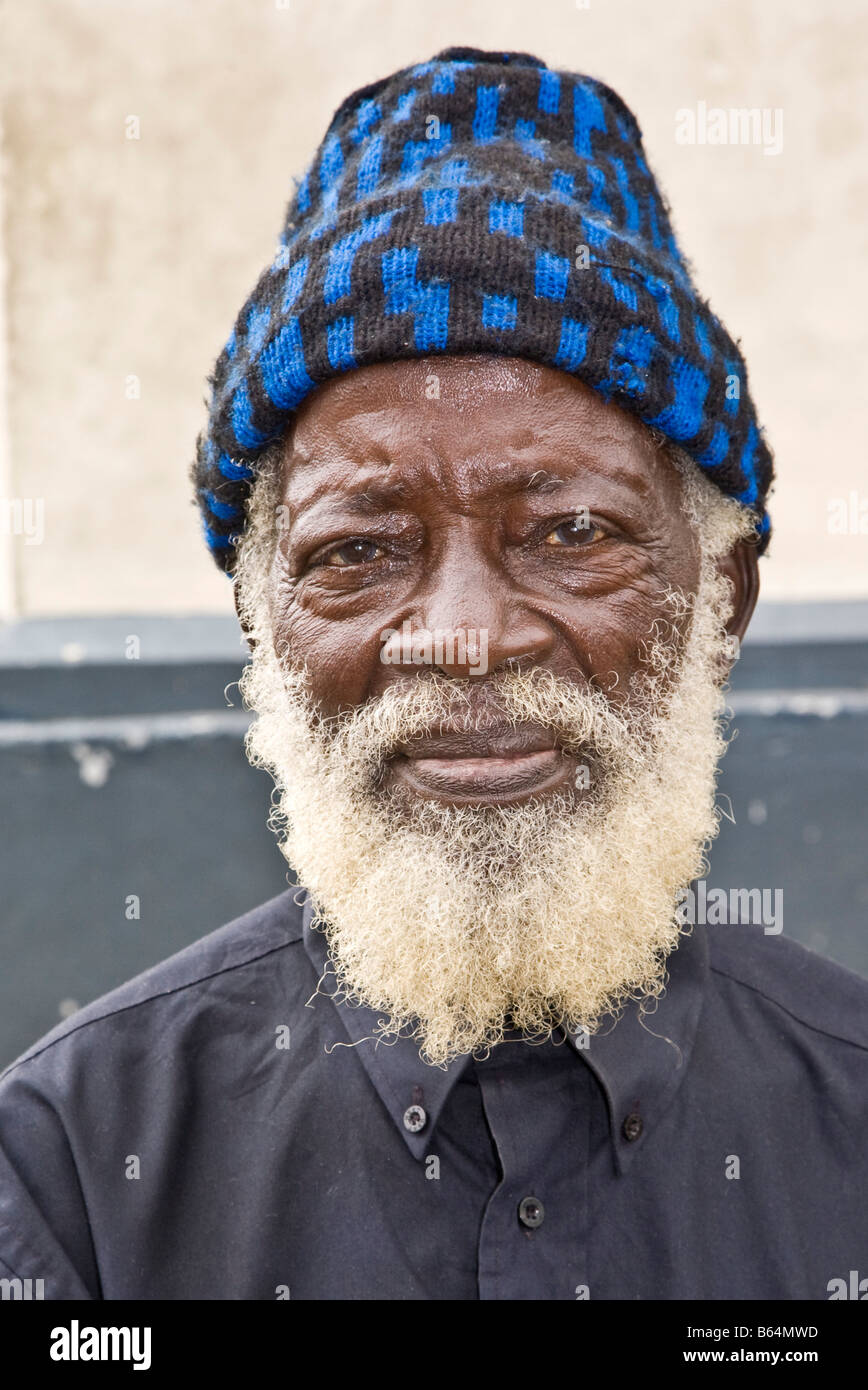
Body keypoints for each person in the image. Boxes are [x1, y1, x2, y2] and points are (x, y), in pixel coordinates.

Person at [1, 46, 866, 1302]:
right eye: (359, 550)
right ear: (263, 626)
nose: (463, 638)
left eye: (569, 532)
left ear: (717, 608)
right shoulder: (72, 1175)